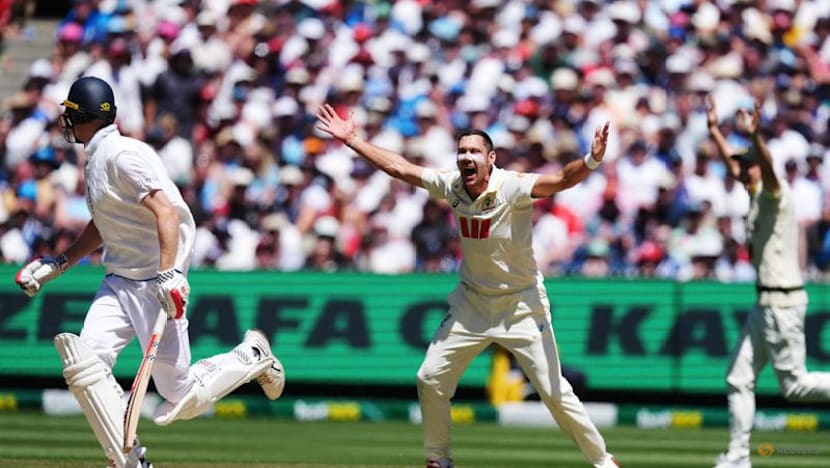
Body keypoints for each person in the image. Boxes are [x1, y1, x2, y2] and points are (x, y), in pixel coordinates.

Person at [316, 103, 618, 468]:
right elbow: (399, 168)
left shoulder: (512, 186)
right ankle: (438, 460)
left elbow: (561, 180)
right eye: (461, 151)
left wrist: (591, 159)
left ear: (491, 158)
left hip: (521, 305)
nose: (465, 157)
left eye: (474, 151)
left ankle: (604, 462)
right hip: (471, 304)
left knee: (555, 393)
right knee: (429, 378)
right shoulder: (453, 185)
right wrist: (352, 140)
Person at [14, 76, 285, 468]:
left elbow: (166, 211)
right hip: (118, 280)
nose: (66, 121)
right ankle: (131, 461)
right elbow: (104, 224)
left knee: (179, 398)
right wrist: (59, 264)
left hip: (154, 284)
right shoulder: (96, 157)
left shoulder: (124, 154)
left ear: (87, 115)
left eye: (71, 113)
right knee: (85, 364)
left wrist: (169, 274)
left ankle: (251, 354)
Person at [706, 96, 830, 468]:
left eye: (749, 166)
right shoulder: (755, 193)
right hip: (764, 305)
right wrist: (715, 131)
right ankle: (738, 457)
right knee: (738, 376)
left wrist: (755, 137)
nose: (743, 171)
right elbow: (736, 166)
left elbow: (769, 170)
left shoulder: (776, 195)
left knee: (795, 386)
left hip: (783, 302)